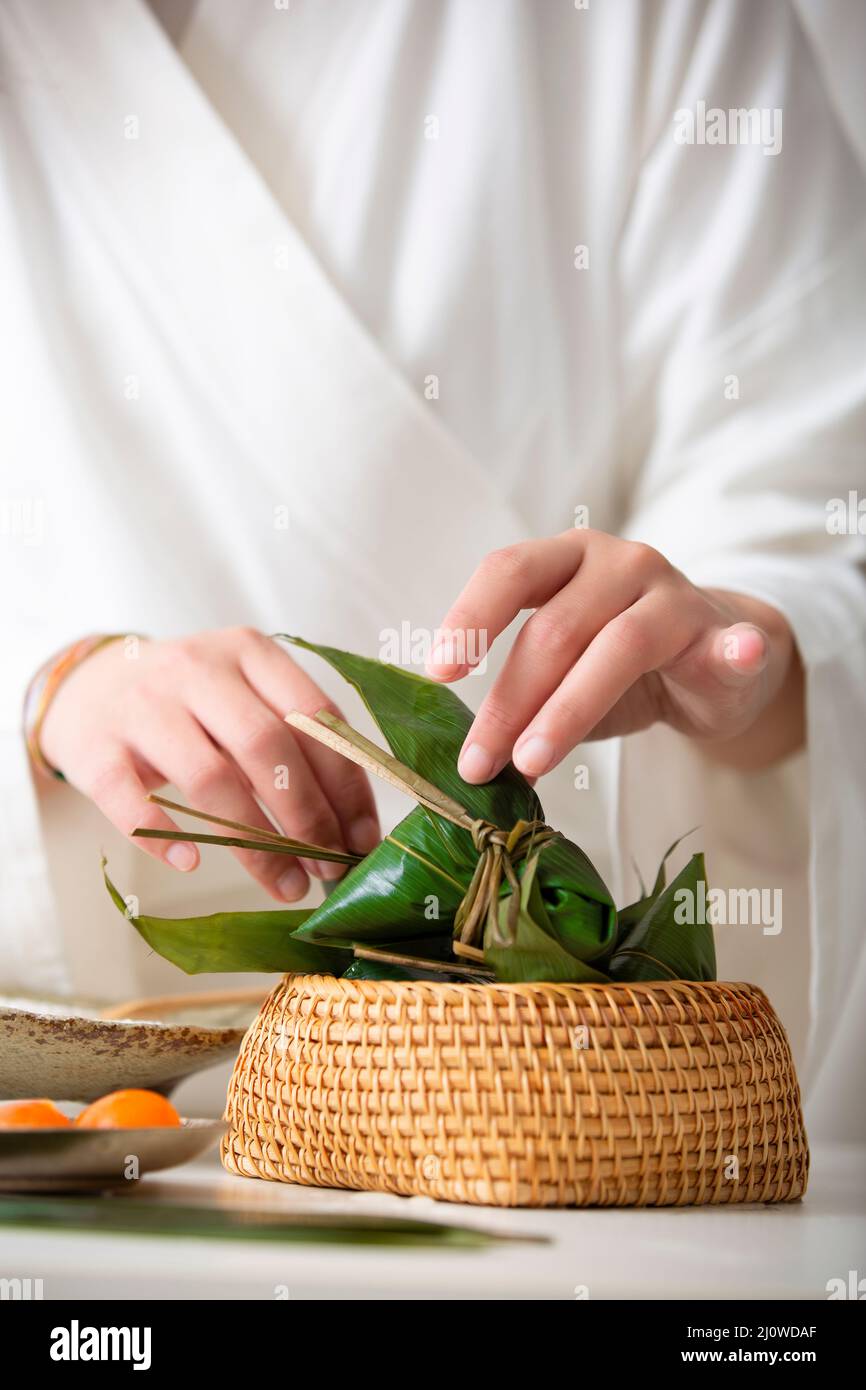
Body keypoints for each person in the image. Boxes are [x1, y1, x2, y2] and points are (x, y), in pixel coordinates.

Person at [2, 0, 865, 1136]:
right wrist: (50, 687)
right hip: (66, 1138)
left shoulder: (643, 24)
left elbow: (810, 506)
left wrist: (737, 652)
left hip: (567, 1108)